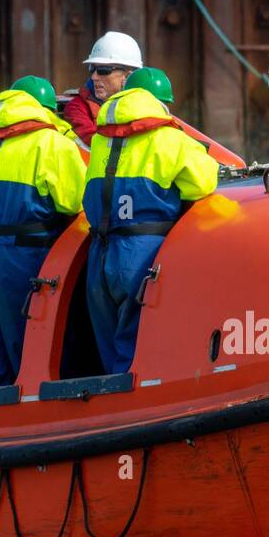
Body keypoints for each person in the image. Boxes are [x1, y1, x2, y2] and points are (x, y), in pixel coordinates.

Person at [82, 67, 218, 374]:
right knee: (133, 345)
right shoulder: (168, 137)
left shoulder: (102, 137)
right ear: (161, 104)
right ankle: (127, 409)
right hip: (140, 254)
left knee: (108, 341)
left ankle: (107, 409)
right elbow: (203, 182)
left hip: (99, 252)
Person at [0, 75, 86, 388]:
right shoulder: (51, 143)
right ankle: (31, 411)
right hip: (24, 256)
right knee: (27, 339)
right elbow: (78, 201)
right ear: (47, 110)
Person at [62, 31, 144, 148]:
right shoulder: (78, 108)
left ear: (127, 76)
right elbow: (98, 146)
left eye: (103, 70)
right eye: (93, 68)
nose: (94, 77)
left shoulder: (146, 106)